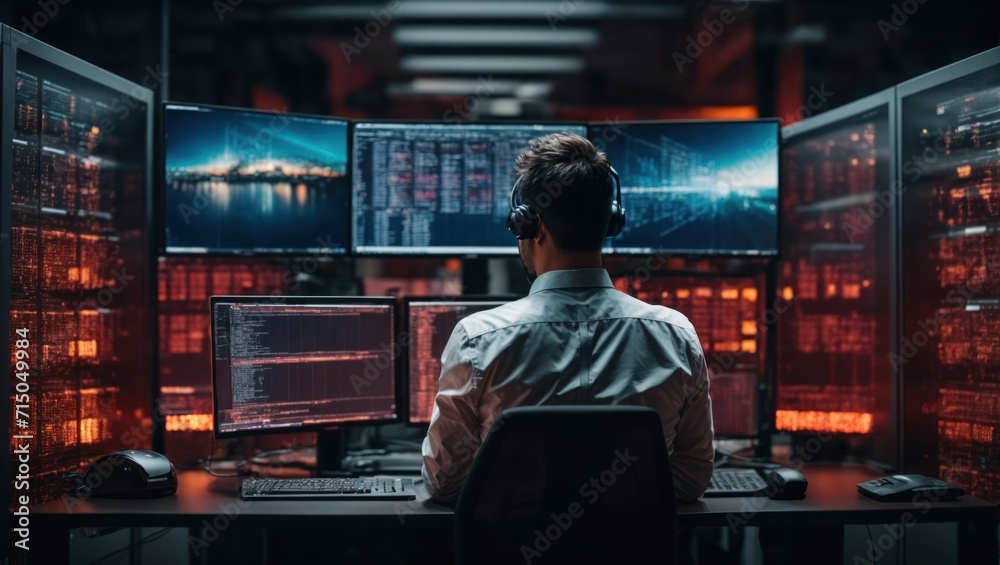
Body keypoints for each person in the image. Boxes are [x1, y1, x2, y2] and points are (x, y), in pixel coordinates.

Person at [421, 132, 714, 502]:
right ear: (611, 222)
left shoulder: (477, 338)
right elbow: (692, 478)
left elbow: (445, 482)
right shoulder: (675, 334)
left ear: (533, 226)